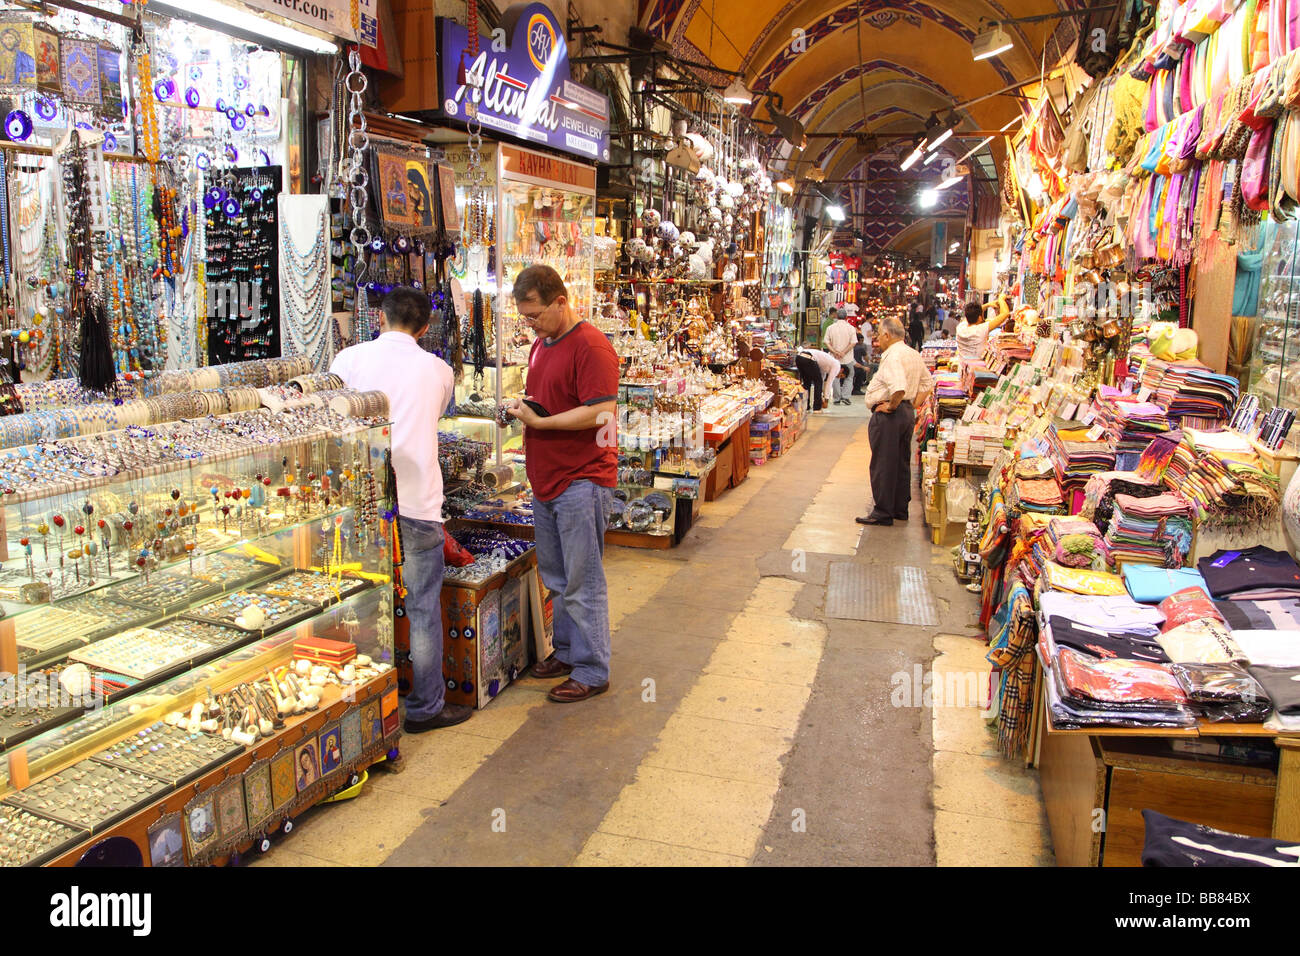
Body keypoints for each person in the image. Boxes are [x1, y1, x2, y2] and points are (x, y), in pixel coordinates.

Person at [331, 287, 470, 732]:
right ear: (427, 328)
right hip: (417, 502)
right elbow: (435, 413)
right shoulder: (438, 369)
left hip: (360, 500)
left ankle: (362, 707)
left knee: (361, 603)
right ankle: (425, 709)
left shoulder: (347, 361)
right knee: (423, 608)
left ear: (379, 318)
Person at [505, 264, 620, 703]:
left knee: (583, 579)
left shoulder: (590, 345)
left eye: (534, 315)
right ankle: (570, 650)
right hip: (548, 478)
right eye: (525, 317)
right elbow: (553, 400)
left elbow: (601, 412)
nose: (530, 325)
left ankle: (593, 670)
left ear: (560, 301)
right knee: (556, 575)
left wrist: (543, 421)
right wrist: (527, 408)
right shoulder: (542, 344)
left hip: (582, 479)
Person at [857, 317, 934, 527]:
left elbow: (898, 386)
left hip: (890, 415)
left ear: (887, 335)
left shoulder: (892, 355)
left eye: (879, 334)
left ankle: (882, 511)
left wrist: (892, 406)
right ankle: (900, 508)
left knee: (883, 462)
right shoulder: (912, 353)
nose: (877, 339)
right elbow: (928, 382)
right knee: (900, 461)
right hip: (906, 412)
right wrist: (912, 405)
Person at [956, 294, 1012, 368]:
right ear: (979, 318)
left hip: (962, 369)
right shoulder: (981, 329)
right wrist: (1001, 299)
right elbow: (1005, 313)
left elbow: (971, 314)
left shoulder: (961, 327)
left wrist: (988, 305)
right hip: (978, 372)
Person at [823, 308, 857, 405]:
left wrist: (835, 352)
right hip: (848, 358)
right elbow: (853, 342)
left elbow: (826, 342)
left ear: (837, 316)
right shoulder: (851, 328)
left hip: (834, 358)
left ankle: (837, 398)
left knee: (834, 376)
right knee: (849, 376)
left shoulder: (831, 328)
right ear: (846, 317)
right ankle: (845, 396)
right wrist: (843, 352)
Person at [796, 346, 841, 411]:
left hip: (799, 357)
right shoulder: (837, 365)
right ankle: (817, 407)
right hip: (808, 358)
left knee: (807, 383)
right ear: (842, 370)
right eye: (841, 375)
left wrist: (822, 396)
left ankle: (806, 406)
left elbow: (822, 377)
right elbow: (829, 383)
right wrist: (826, 400)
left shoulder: (826, 363)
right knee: (818, 382)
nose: (838, 376)